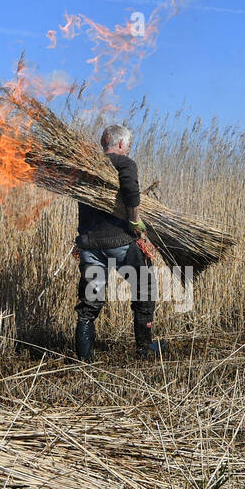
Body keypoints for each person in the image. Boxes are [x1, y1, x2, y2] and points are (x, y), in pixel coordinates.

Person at [73, 124, 162, 360]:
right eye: (129, 145)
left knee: (91, 299)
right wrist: (135, 221)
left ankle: (84, 357)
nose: (129, 149)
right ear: (121, 144)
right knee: (144, 286)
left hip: (89, 245)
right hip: (119, 241)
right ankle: (144, 348)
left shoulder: (87, 166)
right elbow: (131, 191)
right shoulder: (124, 163)